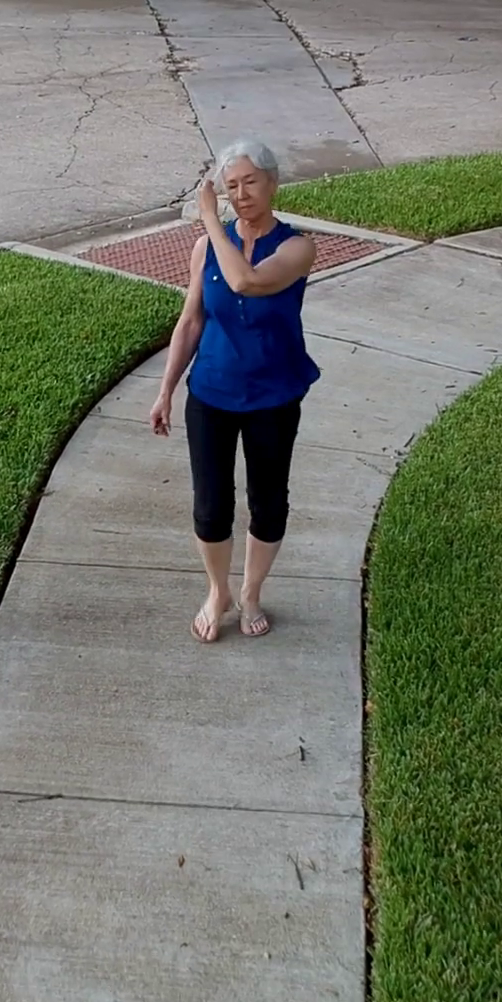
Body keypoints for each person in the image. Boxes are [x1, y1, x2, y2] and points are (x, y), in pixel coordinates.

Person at [149, 139, 319, 643]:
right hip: (212, 392)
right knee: (210, 505)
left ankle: (251, 592)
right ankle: (218, 591)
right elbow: (191, 321)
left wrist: (208, 221)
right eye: (230, 186)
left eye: (250, 182)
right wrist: (165, 390)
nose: (241, 195)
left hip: (273, 395)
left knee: (268, 502)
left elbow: (247, 282)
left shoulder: (297, 247)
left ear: (273, 184)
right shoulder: (209, 247)